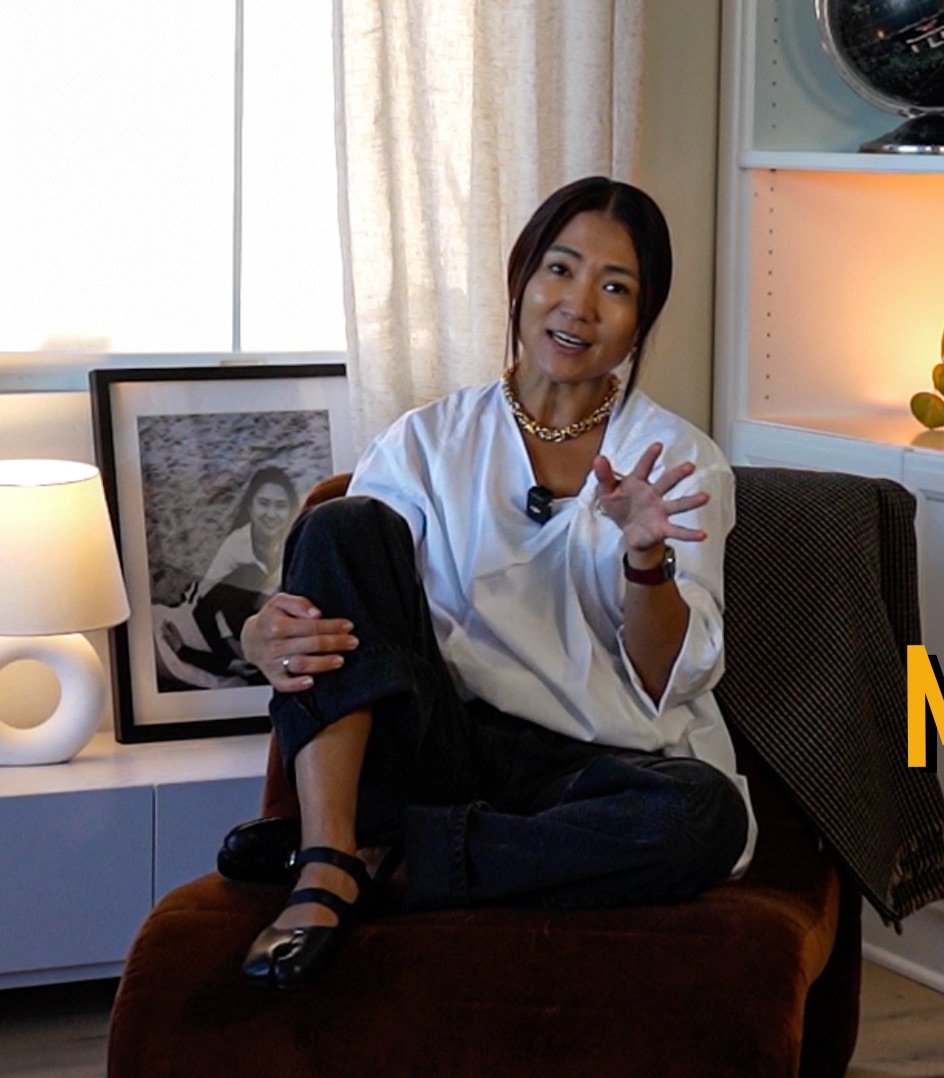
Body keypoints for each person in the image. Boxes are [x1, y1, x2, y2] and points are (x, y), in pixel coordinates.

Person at [232, 177, 751, 989]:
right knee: (342, 524)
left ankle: (387, 854)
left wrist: (645, 558)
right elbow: (345, 589)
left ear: (642, 317)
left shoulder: (678, 462)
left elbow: (669, 680)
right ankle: (330, 858)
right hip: (441, 741)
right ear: (521, 279)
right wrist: (262, 630)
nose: (579, 306)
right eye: (560, 270)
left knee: (701, 816)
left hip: (590, 771)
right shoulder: (425, 441)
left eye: (615, 288)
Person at [162, 466, 296, 684]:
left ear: (291, 511)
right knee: (251, 573)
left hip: (255, 627)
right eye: (264, 503)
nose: (271, 514)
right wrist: (227, 651)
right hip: (216, 617)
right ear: (250, 508)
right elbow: (204, 605)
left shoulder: (298, 542)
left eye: (280, 506)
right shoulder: (237, 548)